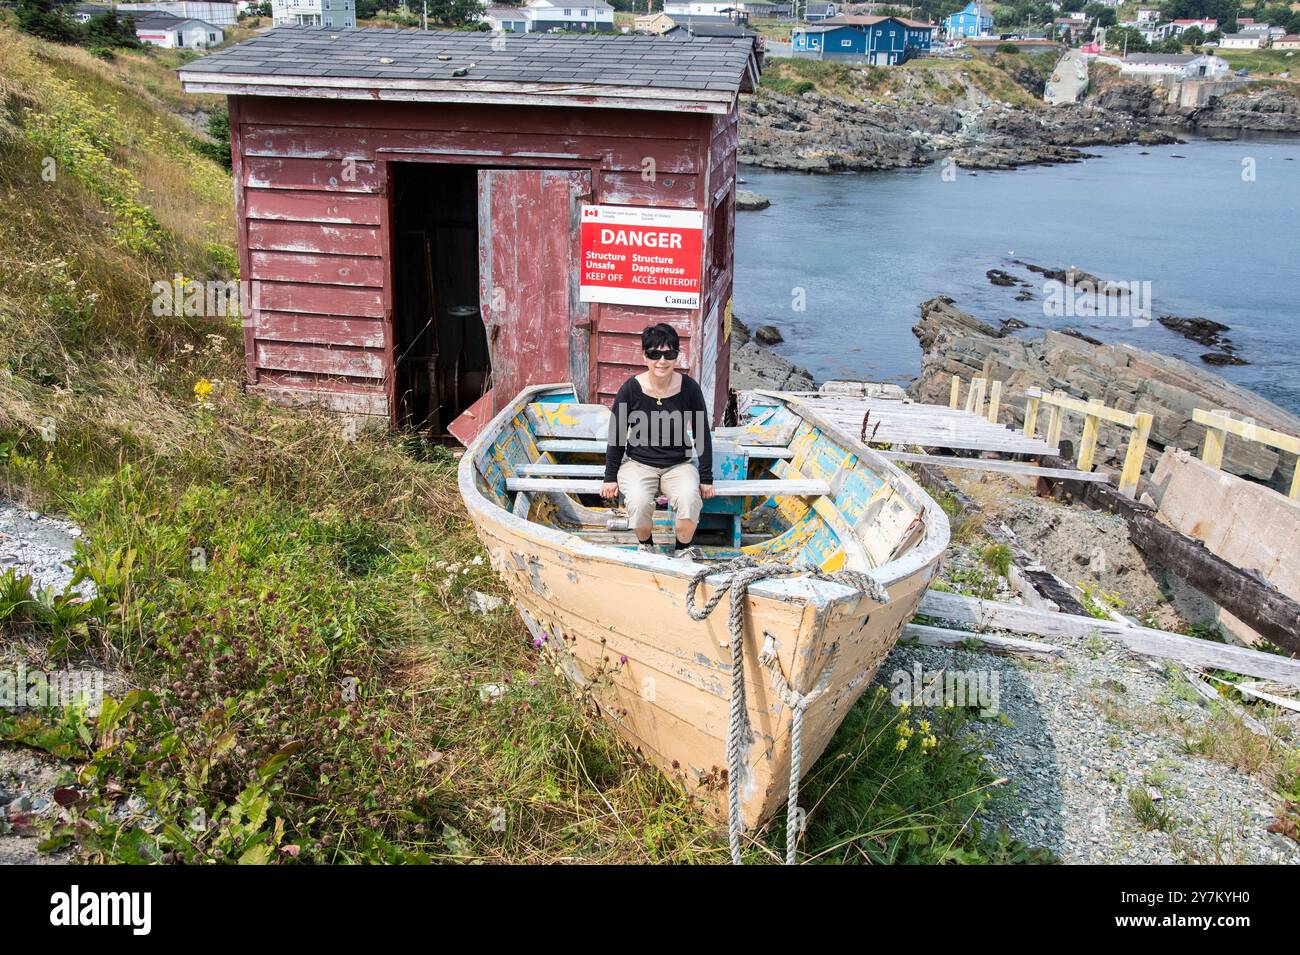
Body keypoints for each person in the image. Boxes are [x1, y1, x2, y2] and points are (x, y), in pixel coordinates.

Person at [601, 323, 715, 556]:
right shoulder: (630, 390)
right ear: (644, 356)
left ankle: (682, 549)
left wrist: (706, 477)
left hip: (679, 465)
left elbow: (702, 432)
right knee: (639, 502)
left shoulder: (689, 388)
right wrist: (609, 477)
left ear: (677, 356)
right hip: (638, 464)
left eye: (669, 354)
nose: (662, 361)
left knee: (689, 500)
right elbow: (617, 435)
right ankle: (646, 544)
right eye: (655, 354)